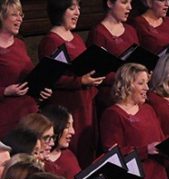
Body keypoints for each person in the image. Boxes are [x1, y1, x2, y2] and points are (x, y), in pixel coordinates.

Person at [100, 63, 167, 179]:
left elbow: (159, 140)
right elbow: (112, 152)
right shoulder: (113, 114)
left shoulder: (149, 109)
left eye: (147, 82)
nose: (147, 88)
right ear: (128, 84)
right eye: (141, 83)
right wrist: (145, 150)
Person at [40, 0, 102, 166]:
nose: (77, 12)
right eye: (72, 8)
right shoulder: (51, 41)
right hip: (69, 104)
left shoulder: (76, 38)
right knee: (74, 149)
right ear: (59, 10)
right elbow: (50, 77)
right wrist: (80, 80)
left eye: (79, 8)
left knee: (88, 147)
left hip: (86, 101)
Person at [0, 0, 50, 137]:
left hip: (28, 114)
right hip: (7, 118)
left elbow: (28, 78)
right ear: (1, 17)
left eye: (21, 15)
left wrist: (40, 90)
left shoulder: (20, 44)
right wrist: (5, 91)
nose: (20, 19)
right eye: (14, 15)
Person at [88, 0, 139, 111]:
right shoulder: (98, 32)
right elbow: (96, 72)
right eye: (124, 2)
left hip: (132, 93)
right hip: (110, 96)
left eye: (130, 2)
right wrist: (125, 77)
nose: (129, 7)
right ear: (110, 3)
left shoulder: (131, 30)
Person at [40, 104, 80, 179]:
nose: (73, 132)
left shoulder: (69, 156)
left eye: (72, 126)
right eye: (67, 127)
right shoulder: (37, 163)